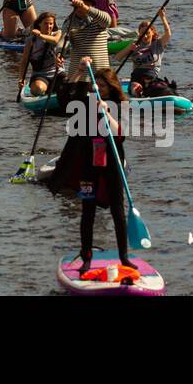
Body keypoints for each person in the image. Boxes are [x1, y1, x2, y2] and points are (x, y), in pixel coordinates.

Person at [48, 61, 133, 275]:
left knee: (118, 212)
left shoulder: (119, 104)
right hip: (89, 166)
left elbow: (120, 135)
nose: (100, 90)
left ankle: (124, 257)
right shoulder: (87, 103)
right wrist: (77, 73)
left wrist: (108, 114)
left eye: (104, 87)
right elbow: (64, 98)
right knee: (88, 210)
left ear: (111, 87)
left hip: (112, 166)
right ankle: (86, 257)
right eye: (99, 86)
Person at [127, 8, 174, 97]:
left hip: (151, 79)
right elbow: (117, 58)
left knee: (161, 89)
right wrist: (129, 49)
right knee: (135, 87)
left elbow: (168, 33)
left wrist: (162, 17)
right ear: (139, 34)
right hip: (137, 78)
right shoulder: (134, 45)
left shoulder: (158, 44)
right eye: (142, 33)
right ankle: (137, 93)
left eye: (147, 33)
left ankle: (150, 92)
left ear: (152, 32)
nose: (145, 36)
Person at [19, 10, 62, 96]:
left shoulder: (57, 33)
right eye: (46, 23)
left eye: (51, 24)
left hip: (57, 72)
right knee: (38, 89)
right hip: (40, 74)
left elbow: (56, 41)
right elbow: (24, 61)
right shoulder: (31, 40)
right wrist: (21, 79)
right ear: (39, 24)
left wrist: (40, 35)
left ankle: (54, 88)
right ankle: (45, 88)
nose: (48, 26)